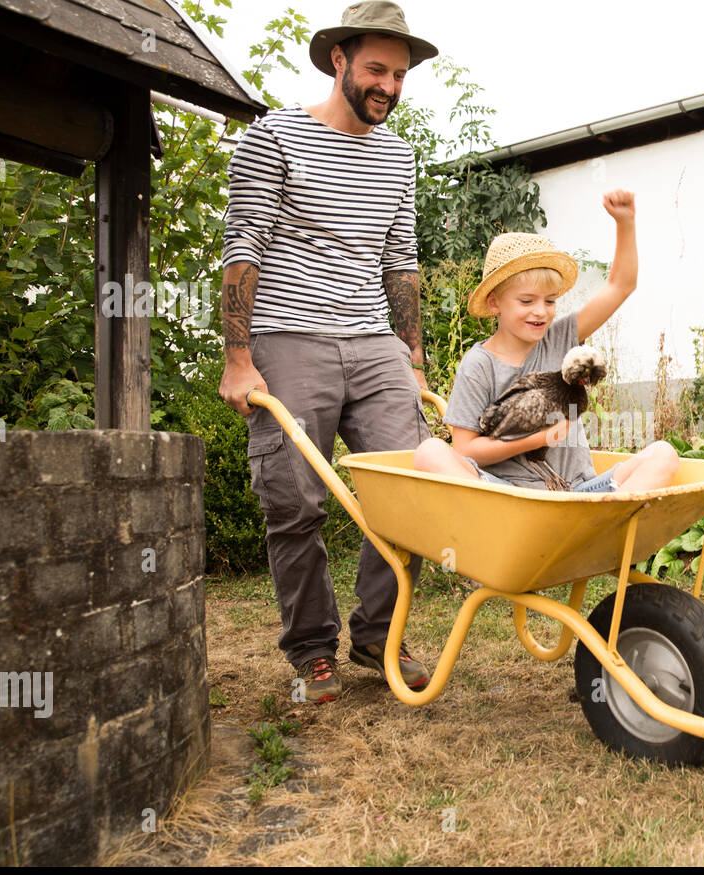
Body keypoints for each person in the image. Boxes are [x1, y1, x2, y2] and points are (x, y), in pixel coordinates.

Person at [217, 2, 439, 704]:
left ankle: (381, 631)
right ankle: (312, 650)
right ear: (338, 59)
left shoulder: (399, 156)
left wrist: (414, 357)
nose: (389, 86)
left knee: (416, 487)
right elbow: (243, 247)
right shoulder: (273, 137)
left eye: (400, 75)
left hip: (374, 341)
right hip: (288, 338)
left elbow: (400, 263)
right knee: (294, 502)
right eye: (376, 69)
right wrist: (237, 356)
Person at [413, 190, 679, 492]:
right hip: (508, 495)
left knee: (664, 454)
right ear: (494, 303)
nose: (540, 312)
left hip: (579, 492)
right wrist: (540, 438)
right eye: (526, 301)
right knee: (429, 452)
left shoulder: (561, 338)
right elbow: (465, 450)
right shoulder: (479, 365)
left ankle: (606, 517)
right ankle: (560, 526)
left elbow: (621, 285)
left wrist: (626, 222)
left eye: (550, 301)